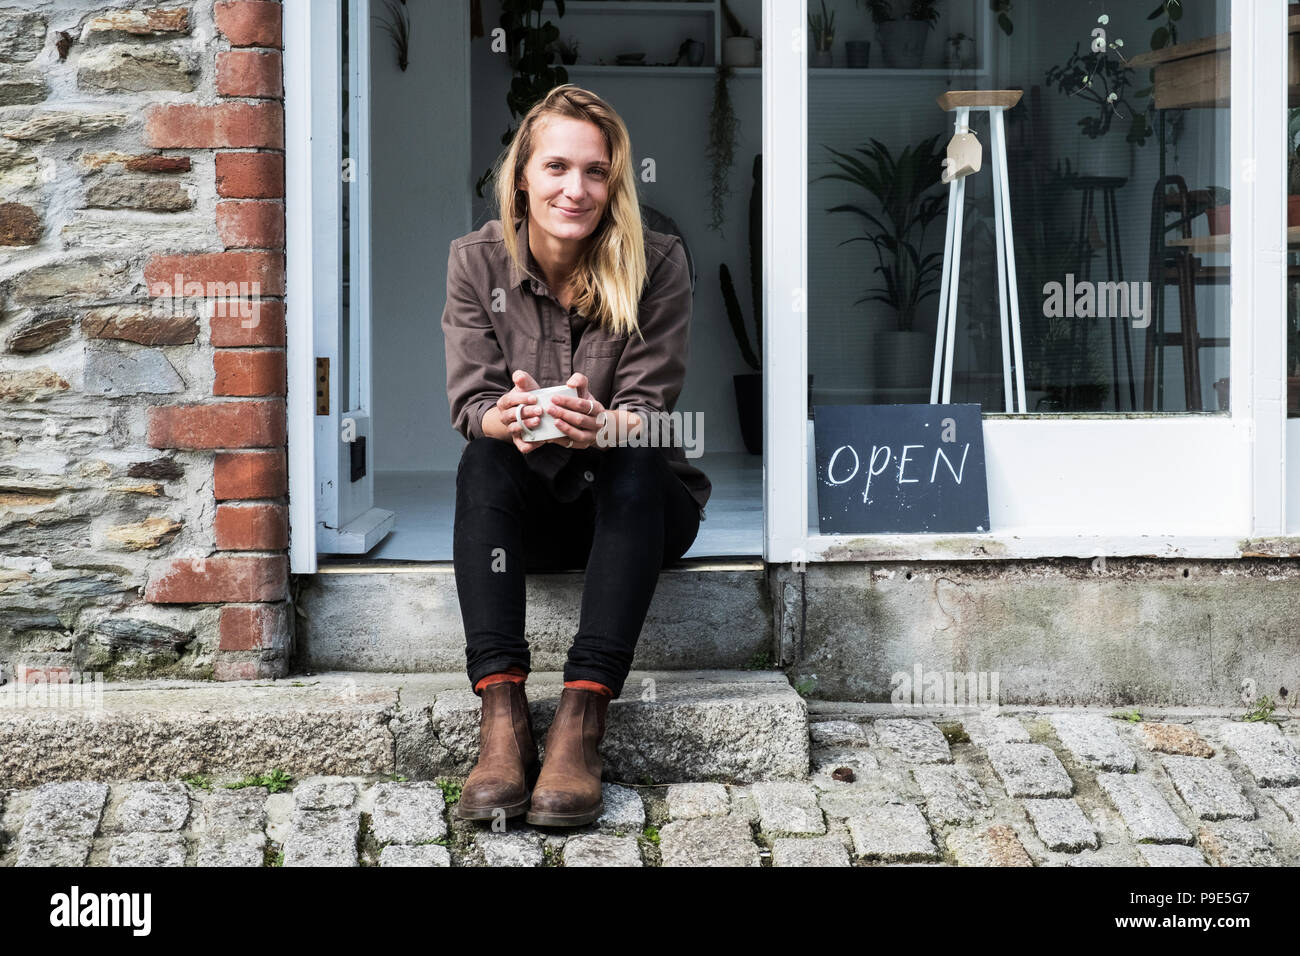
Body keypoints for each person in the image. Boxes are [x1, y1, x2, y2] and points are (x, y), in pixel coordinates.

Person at [440, 84, 712, 827]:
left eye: (595, 172)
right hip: (536, 511)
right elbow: (470, 407)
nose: (576, 188)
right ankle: (502, 716)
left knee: (633, 454)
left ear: (615, 182)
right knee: (483, 459)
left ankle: (581, 719)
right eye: (557, 167)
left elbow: (651, 414)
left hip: (638, 508)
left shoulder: (656, 261)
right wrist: (515, 416)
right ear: (522, 176)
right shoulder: (475, 262)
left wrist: (602, 425)